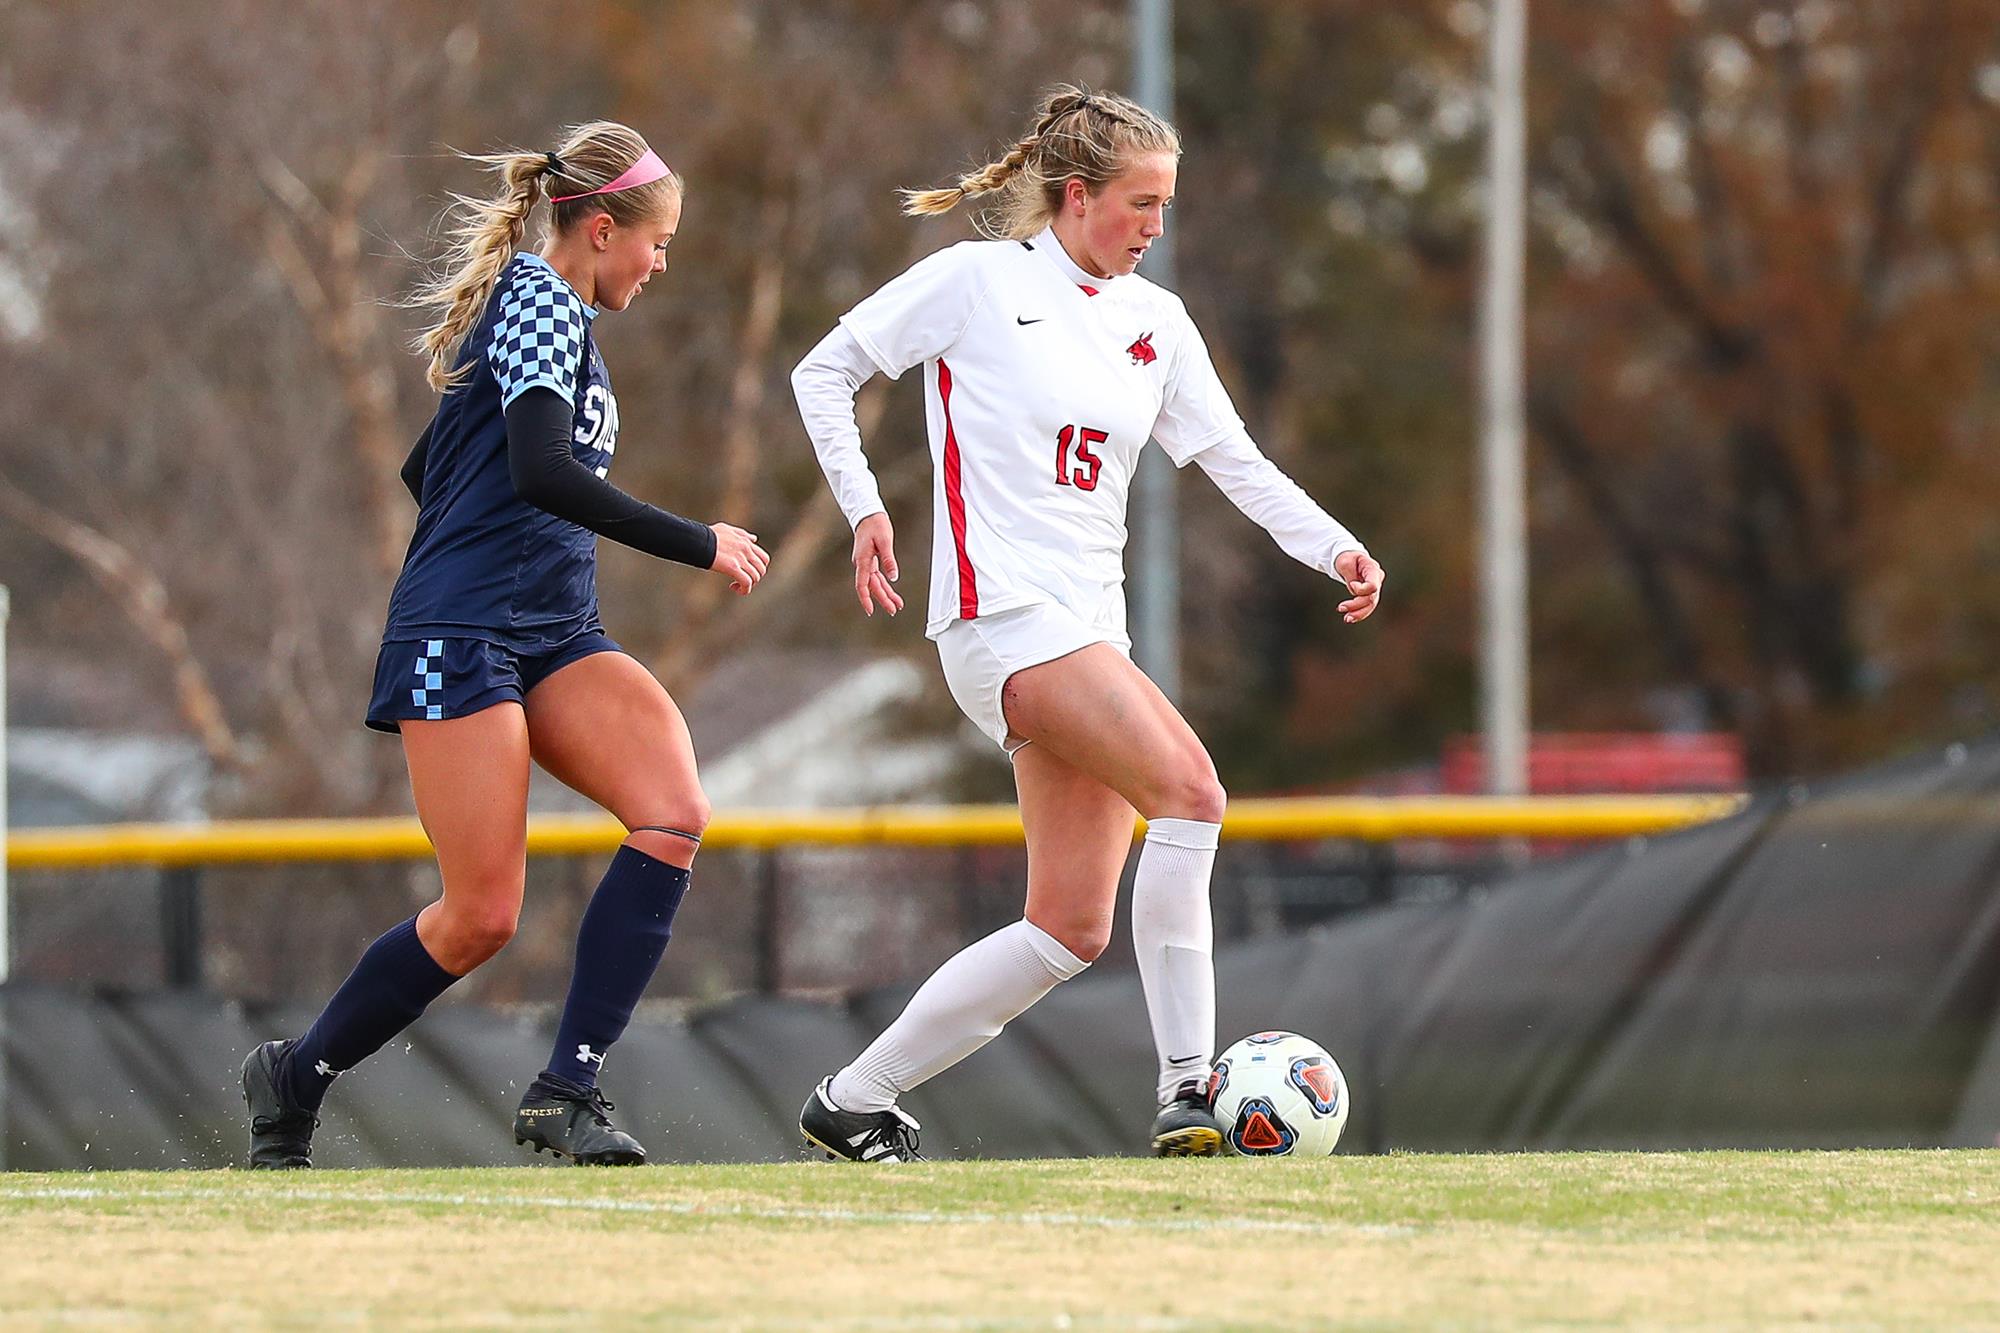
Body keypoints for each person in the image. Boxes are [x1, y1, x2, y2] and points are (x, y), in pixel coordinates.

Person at [789, 86, 1383, 1161]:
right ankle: (1187, 1089)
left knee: (1067, 926)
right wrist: (866, 506)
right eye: (1139, 203)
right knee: (1193, 791)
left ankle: (852, 1094)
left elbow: (1231, 461)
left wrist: (1331, 544)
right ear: (1074, 197)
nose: (1156, 225)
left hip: (1084, 630)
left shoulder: (1154, 319)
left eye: (1166, 204)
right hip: (998, 618)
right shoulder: (977, 280)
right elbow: (823, 370)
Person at [239, 121, 768, 1169]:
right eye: (657, 244)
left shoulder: (558, 319)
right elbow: (537, 471)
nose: (662, 265)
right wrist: (695, 540)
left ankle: (566, 1088)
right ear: (603, 228)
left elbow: (429, 467)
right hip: (463, 631)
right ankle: (294, 1077)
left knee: (671, 813)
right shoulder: (534, 298)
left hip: (555, 629)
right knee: (480, 917)